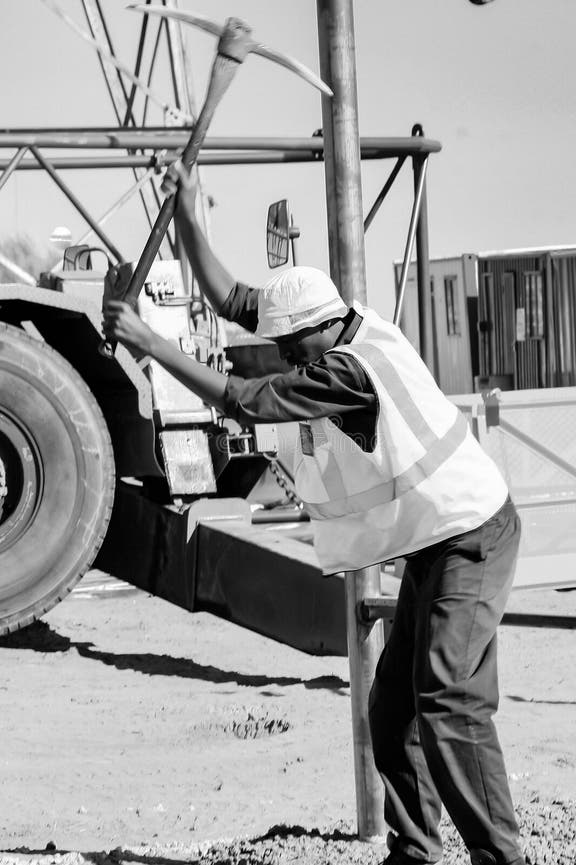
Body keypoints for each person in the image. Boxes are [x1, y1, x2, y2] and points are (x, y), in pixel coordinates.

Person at [102, 164, 526, 865]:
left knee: (447, 697)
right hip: (437, 539)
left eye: (292, 352)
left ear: (319, 334)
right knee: (394, 710)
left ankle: (500, 858)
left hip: (472, 534)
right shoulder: (331, 321)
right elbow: (233, 296)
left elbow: (245, 398)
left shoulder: (350, 367)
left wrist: (149, 342)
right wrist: (184, 212)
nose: (288, 363)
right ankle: (415, 851)